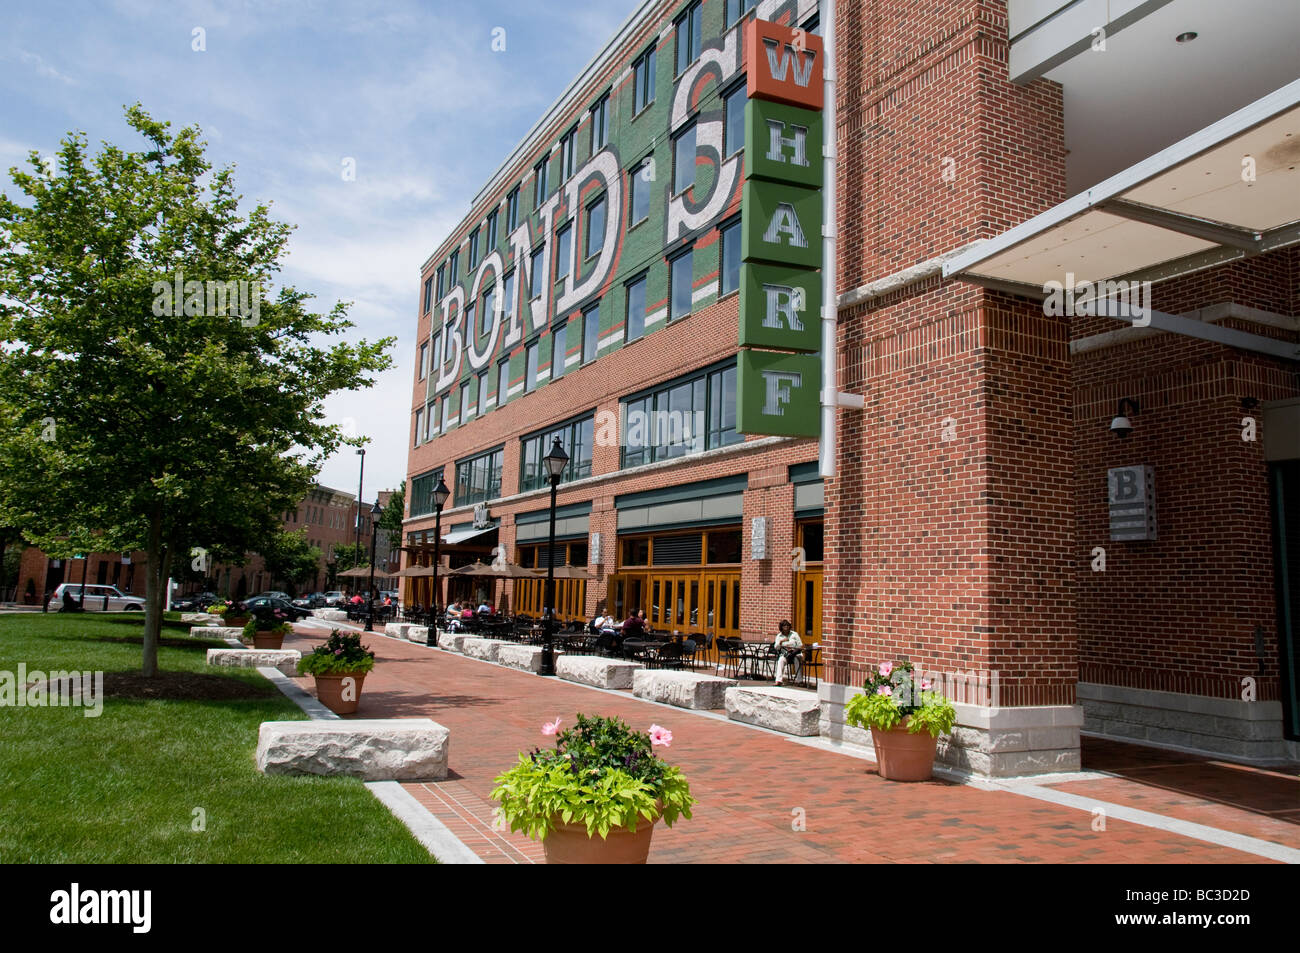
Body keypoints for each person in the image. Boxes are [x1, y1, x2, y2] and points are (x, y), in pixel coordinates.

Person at [772, 619, 804, 686]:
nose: (786, 627)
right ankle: (778, 680)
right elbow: (776, 647)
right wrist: (781, 642)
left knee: (797, 659)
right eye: (784, 626)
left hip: (795, 654)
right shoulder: (779, 636)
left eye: (787, 626)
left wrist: (793, 649)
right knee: (781, 660)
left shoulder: (794, 634)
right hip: (786, 654)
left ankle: (799, 681)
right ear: (781, 628)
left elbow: (800, 645)